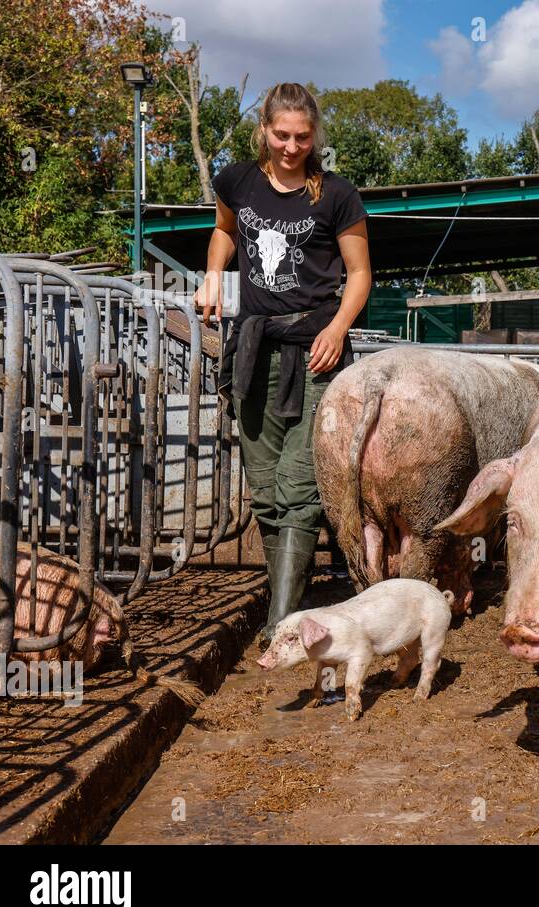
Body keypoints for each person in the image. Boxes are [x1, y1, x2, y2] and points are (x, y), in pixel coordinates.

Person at [195, 82, 371, 646]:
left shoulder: (337, 195)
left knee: (299, 485)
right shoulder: (238, 181)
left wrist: (337, 328)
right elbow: (224, 231)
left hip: (316, 354)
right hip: (254, 349)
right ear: (264, 131)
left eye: (302, 136)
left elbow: (360, 275)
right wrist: (212, 275)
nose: (292, 146)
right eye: (281, 135)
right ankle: (285, 605)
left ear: (314, 135)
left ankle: (280, 622)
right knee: (266, 486)